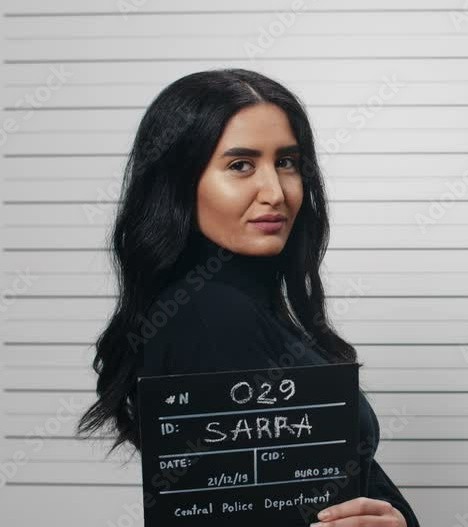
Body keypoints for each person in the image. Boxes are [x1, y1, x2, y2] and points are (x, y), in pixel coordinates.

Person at [77, 68, 419, 527]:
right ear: (179, 182)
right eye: (240, 165)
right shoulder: (210, 314)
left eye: (287, 162)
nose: (275, 192)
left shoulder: (239, 304)